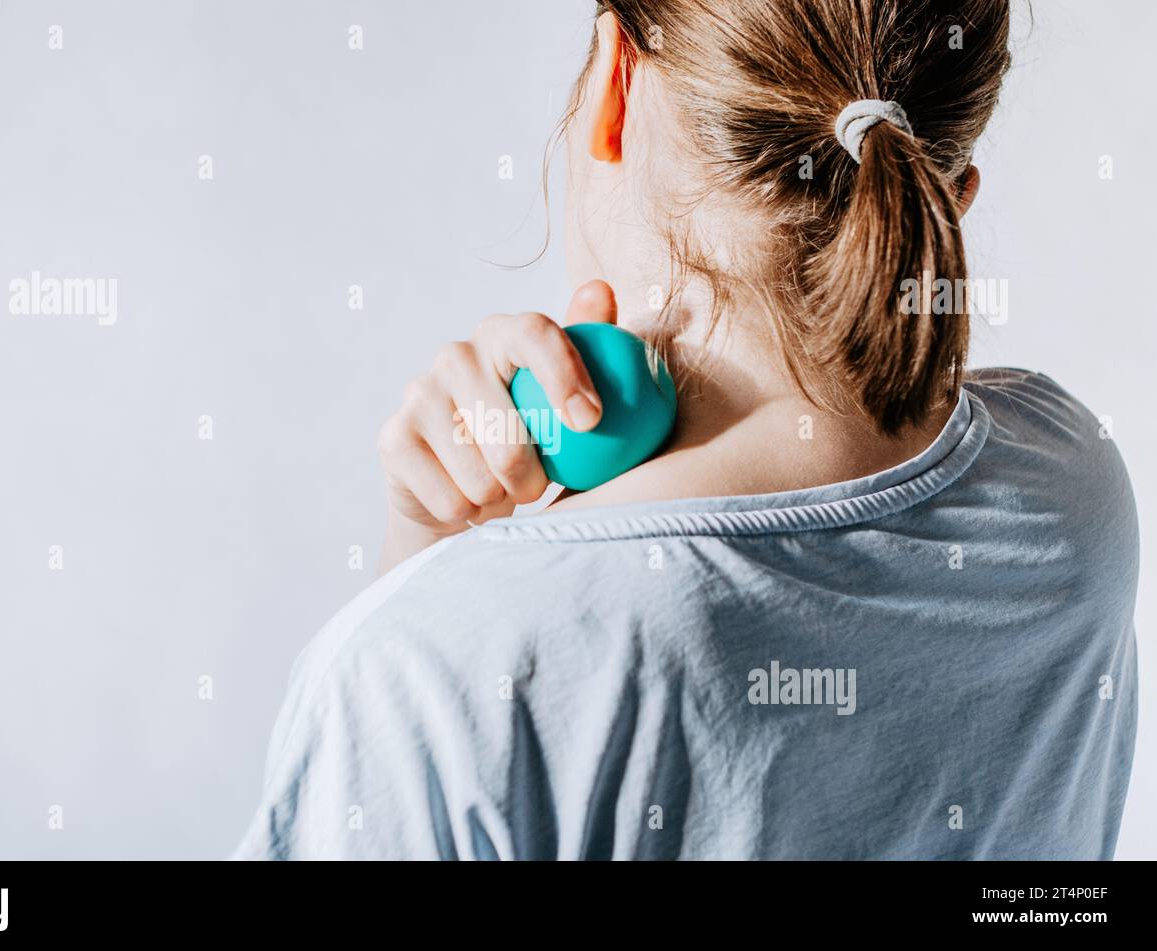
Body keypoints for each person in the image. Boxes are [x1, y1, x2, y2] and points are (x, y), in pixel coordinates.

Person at [237, 0, 1138, 859]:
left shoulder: (430, 672)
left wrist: (436, 573)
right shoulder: (1073, 482)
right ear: (951, 193)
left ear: (617, 87)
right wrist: (456, 573)